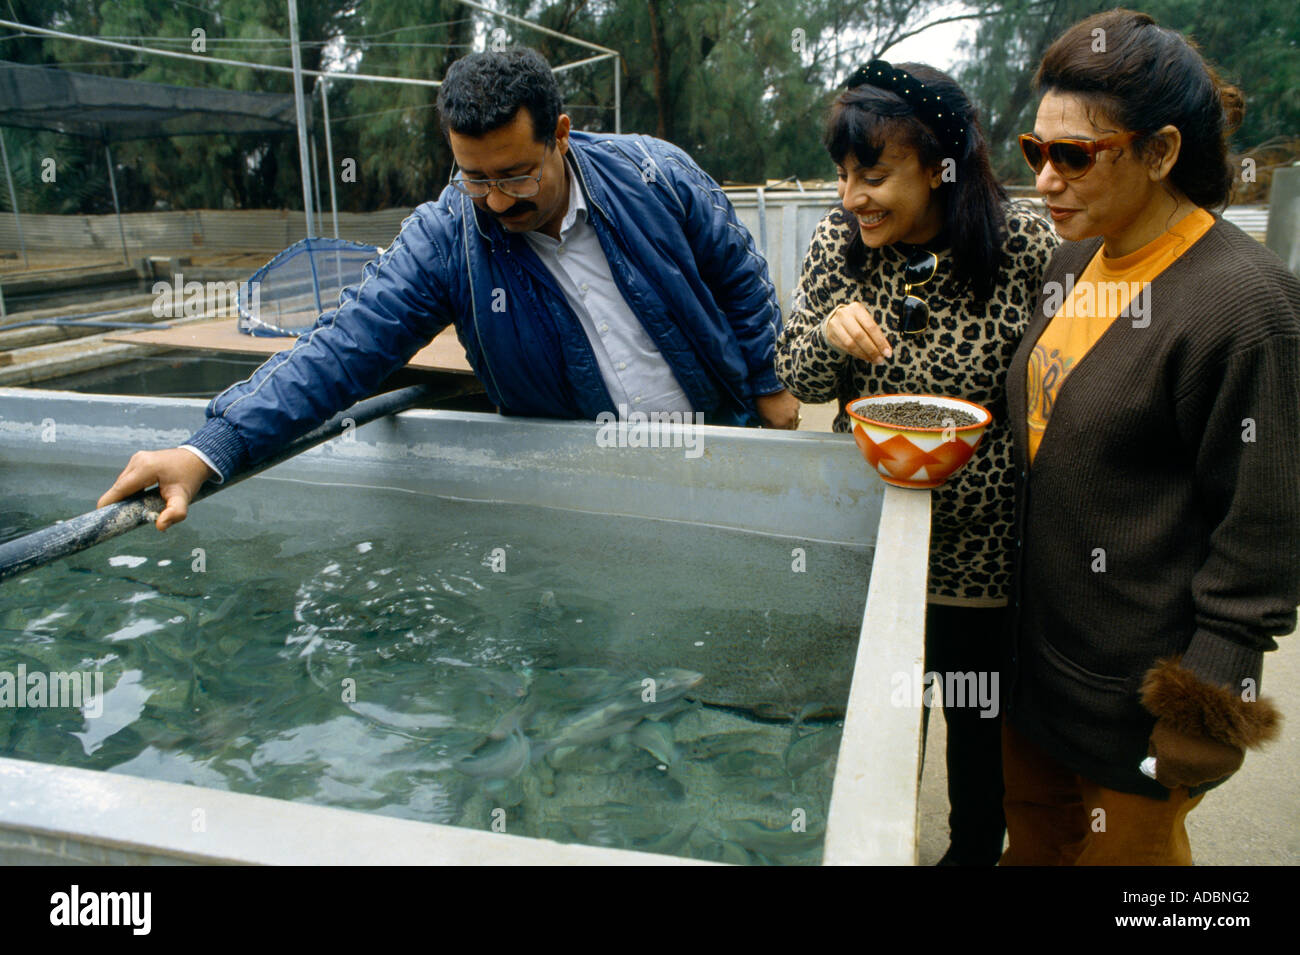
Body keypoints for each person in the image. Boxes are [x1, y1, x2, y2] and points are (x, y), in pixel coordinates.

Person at [98, 48, 798, 525]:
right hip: (585, 490)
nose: (495, 201)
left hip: (719, 452)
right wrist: (208, 448)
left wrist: (770, 385)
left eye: (516, 174)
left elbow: (738, 274)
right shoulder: (444, 240)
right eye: (475, 177)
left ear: (561, 134)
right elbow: (344, 349)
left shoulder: (657, 174)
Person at [1001, 9, 1300, 865]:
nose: (1045, 181)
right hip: (1043, 668)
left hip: (1136, 695)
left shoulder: (1243, 308)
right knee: (1038, 846)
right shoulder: (1072, 263)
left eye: (1074, 156)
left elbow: (1265, 529)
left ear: (1163, 152)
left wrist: (1210, 694)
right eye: (1035, 151)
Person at [774, 60, 1058, 866]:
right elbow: (797, 374)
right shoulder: (840, 242)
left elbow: (1052, 394)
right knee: (881, 723)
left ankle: (972, 852)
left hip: (981, 548)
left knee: (976, 728)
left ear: (943, 168)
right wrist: (829, 331)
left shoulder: (1023, 246)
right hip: (871, 534)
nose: (852, 196)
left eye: (874, 174)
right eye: (843, 175)